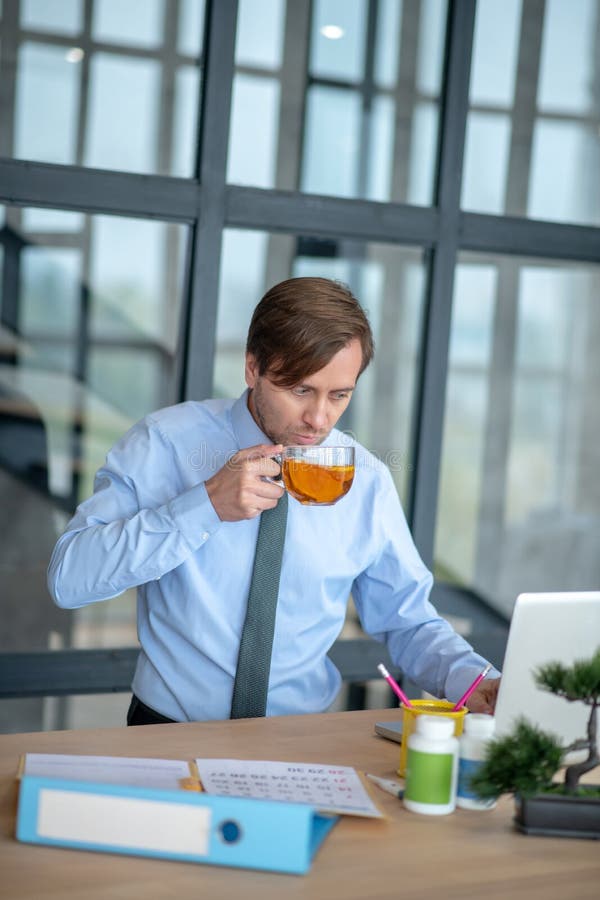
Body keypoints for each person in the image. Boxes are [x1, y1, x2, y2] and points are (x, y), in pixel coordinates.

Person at [48, 277, 500, 725]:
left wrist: (473, 681)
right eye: (300, 390)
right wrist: (202, 506)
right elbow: (70, 579)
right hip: (167, 733)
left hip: (299, 741)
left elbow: (409, 620)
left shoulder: (365, 481)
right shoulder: (164, 444)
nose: (318, 418)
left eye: (339, 395)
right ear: (252, 368)